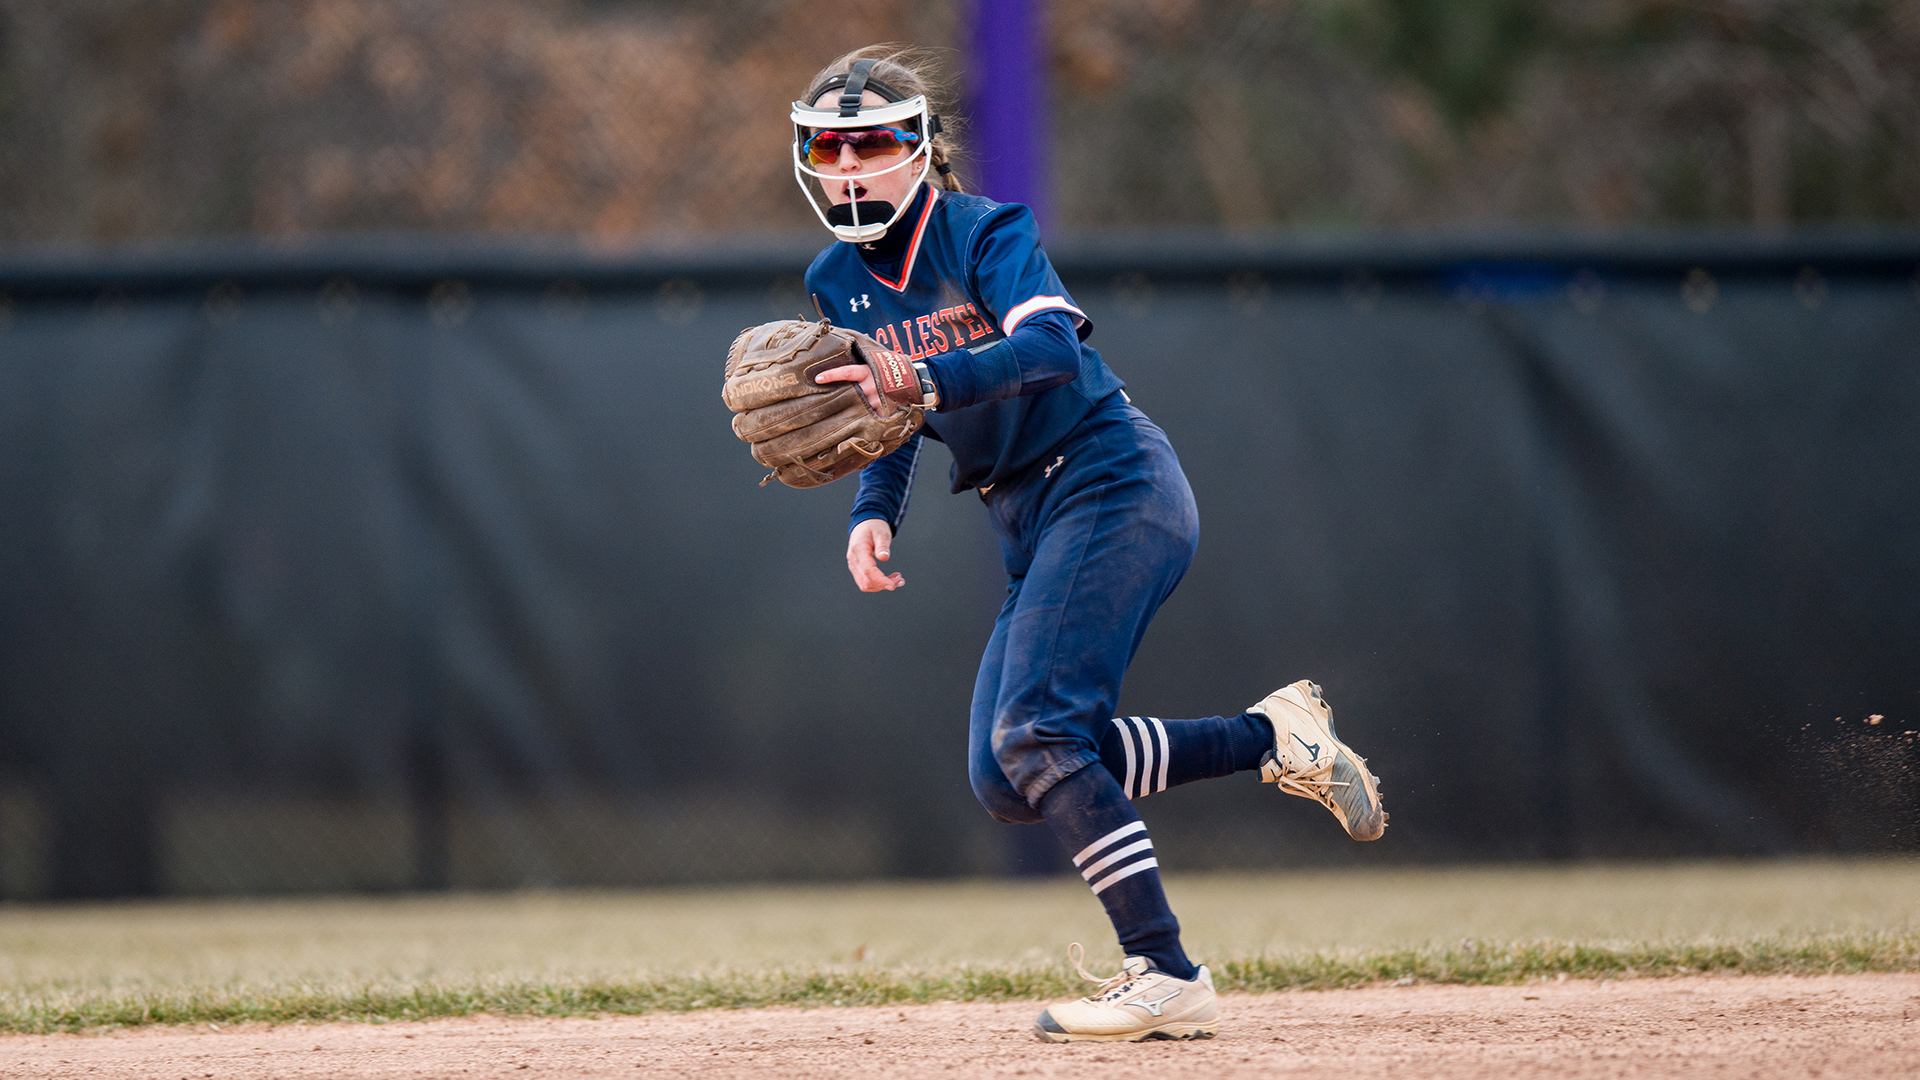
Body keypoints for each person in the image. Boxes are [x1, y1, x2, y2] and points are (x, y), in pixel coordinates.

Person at [790, 44, 1387, 1043]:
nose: (849, 167)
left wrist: (921, 382)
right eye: (829, 149)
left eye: (874, 144)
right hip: (1025, 511)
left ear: (923, 149)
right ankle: (1271, 737)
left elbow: (1050, 347)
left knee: (1035, 736)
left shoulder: (984, 231)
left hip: (1111, 480)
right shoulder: (834, 281)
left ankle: (1164, 970)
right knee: (1007, 773)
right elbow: (881, 419)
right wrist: (870, 513)